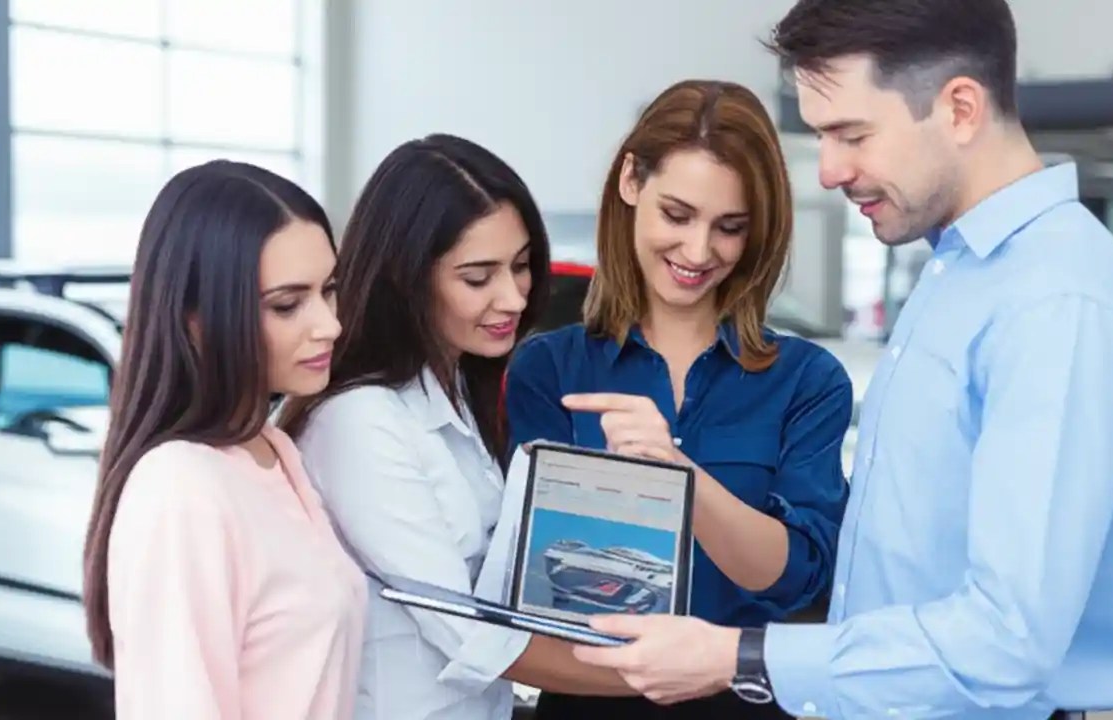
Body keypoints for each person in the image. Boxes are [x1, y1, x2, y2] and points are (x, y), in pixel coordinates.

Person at [568, 2, 1113, 719]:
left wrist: (738, 656)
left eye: (851, 134)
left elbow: (1008, 639)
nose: (830, 171)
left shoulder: (1056, 305)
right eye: (821, 136)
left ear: (959, 109)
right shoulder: (961, 274)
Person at [503, 79, 853, 719]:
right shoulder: (549, 370)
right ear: (630, 181)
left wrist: (677, 475)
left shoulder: (808, 381)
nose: (698, 251)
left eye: (730, 227)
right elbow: (529, 589)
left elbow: (798, 579)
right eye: (677, 215)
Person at [277, 133, 640, 720]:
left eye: (520, 266)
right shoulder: (360, 422)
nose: (513, 298)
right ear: (406, 280)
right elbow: (473, 633)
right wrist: (681, 673)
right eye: (478, 278)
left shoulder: (456, 391)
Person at [80, 161, 366, 719]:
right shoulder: (181, 486)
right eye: (288, 304)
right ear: (195, 320)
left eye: (329, 291)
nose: (329, 324)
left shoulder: (271, 450)